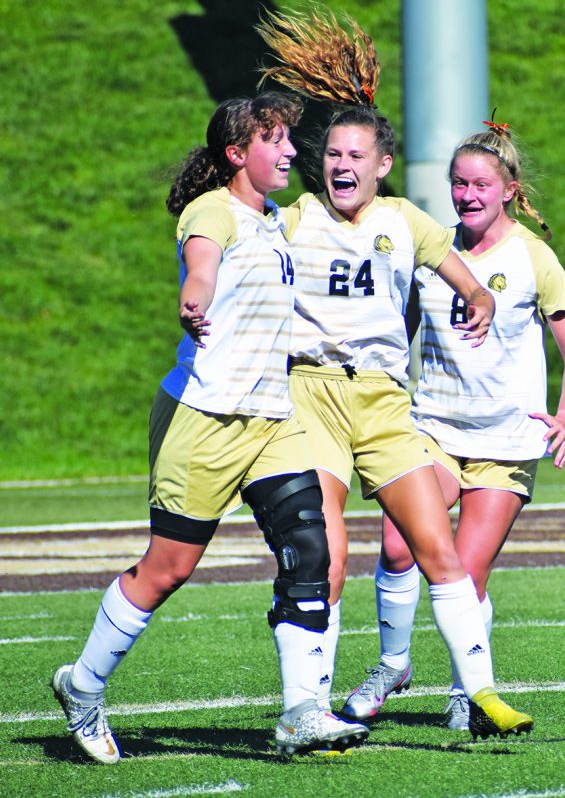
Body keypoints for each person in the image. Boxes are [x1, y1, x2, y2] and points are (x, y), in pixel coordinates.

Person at [51, 93, 369, 763]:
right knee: (168, 569)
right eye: (275, 139)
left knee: (309, 549)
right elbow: (201, 268)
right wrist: (192, 300)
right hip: (204, 416)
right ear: (236, 152)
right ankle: (82, 686)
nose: (289, 150)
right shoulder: (210, 211)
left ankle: (302, 710)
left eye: (288, 138)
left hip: (270, 419)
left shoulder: (277, 218)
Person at [255, 7, 534, 739]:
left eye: (357, 155)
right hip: (312, 393)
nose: (341, 165)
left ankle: (481, 692)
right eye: (333, 155)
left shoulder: (407, 220)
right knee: (326, 547)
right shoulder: (295, 220)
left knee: (434, 547)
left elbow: (465, 277)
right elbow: (241, 257)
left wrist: (477, 301)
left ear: (381, 164)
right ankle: (306, 705)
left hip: (384, 401)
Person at [341, 118, 565, 730]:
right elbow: (397, 333)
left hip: (505, 441)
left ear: (508, 188)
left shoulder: (534, 257)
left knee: (467, 574)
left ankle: (466, 690)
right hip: (433, 430)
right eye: (458, 184)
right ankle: (393, 664)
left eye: (479, 184)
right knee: (400, 545)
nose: (467, 195)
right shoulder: (434, 253)